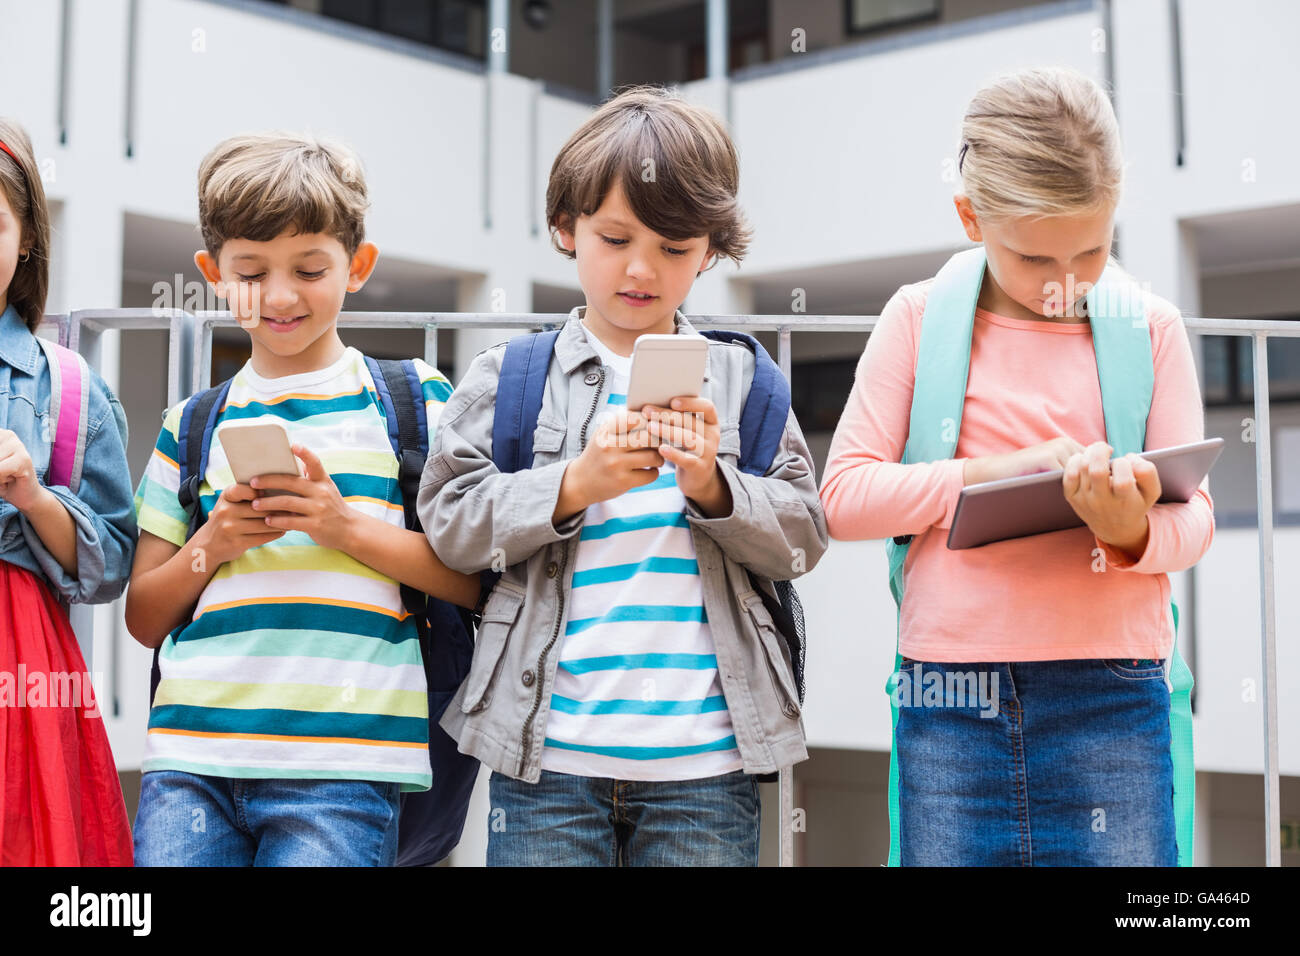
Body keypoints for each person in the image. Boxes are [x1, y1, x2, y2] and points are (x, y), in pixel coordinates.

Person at [418, 86, 828, 866]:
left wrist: (714, 486)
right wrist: (574, 484)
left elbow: (804, 537)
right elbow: (449, 523)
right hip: (548, 759)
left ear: (709, 249)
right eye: (614, 238)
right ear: (565, 228)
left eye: (674, 249)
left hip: (708, 762)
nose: (642, 269)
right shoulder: (510, 375)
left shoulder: (746, 380)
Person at [820, 67, 1215, 866]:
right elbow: (843, 499)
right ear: (971, 217)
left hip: (1113, 693)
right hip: (950, 697)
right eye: (1034, 257)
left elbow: (1195, 518)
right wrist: (992, 474)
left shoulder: (1151, 329)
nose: (1066, 282)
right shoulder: (918, 319)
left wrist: (1131, 530)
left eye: (1094, 250)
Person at [126, 132, 479, 866]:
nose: (281, 295)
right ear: (212, 273)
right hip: (192, 761)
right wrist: (210, 547)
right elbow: (144, 615)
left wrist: (342, 526)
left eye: (310, 268)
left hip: (348, 770)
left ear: (359, 266)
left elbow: (475, 583)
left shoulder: (416, 403)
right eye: (252, 271)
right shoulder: (189, 426)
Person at [0, 118, 136, 865]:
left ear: (24, 239)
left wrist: (31, 493)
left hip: (21, 671)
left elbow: (112, 565)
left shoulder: (70, 386)